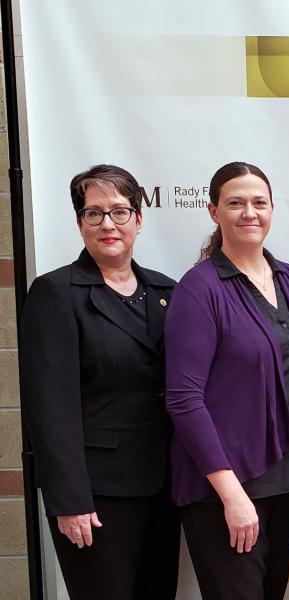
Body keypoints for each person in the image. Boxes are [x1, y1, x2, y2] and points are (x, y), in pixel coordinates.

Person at [164, 162, 289, 600]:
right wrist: (232, 495)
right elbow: (183, 399)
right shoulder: (199, 288)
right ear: (214, 211)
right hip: (226, 489)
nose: (249, 212)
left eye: (259, 202)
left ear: (273, 209)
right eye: (235, 203)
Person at [20, 164, 180, 599]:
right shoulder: (56, 294)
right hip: (97, 495)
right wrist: (70, 500)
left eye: (119, 211)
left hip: (164, 485)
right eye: (94, 213)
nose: (108, 224)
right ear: (79, 223)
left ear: (139, 219)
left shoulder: (168, 292)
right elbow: (50, 409)